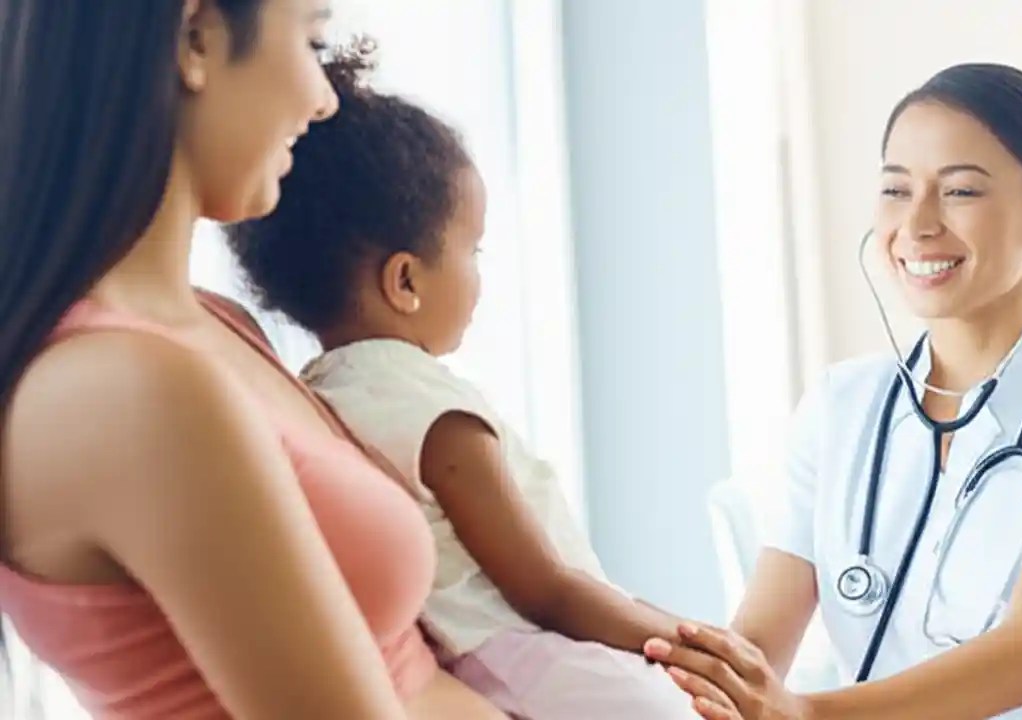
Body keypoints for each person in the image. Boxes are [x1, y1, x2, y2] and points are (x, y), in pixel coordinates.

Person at [0, 2, 502, 717]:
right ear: (198, 37)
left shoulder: (211, 325)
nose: (324, 97)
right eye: (310, 38)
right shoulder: (127, 391)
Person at [643, 63, 1022, 719]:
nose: (918, 224)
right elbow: (758, 647)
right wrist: (689, 667)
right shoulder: (842, 405)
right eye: (896, 190)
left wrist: (806, 715)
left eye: (961, 192)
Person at [225, 42, 698, 719]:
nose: (480, 275)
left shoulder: (316, 396)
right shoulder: (434, 409)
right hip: (535, 660)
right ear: (406, 280)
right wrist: (688, 643)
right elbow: (548, 590)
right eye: (472, 249)